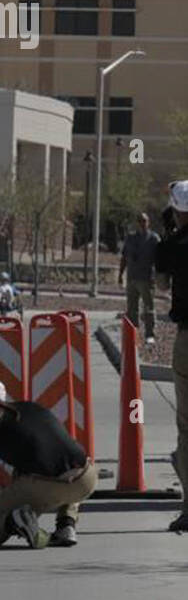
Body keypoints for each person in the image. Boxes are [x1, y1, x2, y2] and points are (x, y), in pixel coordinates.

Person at [0, 375, 97, 548]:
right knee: (63, 464)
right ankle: (66, 524)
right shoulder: (30, 407)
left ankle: (16, 519)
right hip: (87, 478)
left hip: (49, 486)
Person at [155, 181, 188, 532]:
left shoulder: (171, 246)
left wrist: (169, 237)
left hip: (187, 341)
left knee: (186, 429)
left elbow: (162, 286)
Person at [119, 212, 159, 347]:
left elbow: (161, 260)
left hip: (147, 279)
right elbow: (124, 257)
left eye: (144, 221)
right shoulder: (130, 238)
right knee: (131, 309)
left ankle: (150, 335)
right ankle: (133, 334)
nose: (142, 223)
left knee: (148, 308)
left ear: (148, 222)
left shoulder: (154, 239)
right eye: (140, 221)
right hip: (132, 278)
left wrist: (160, 276)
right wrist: (120, 275)